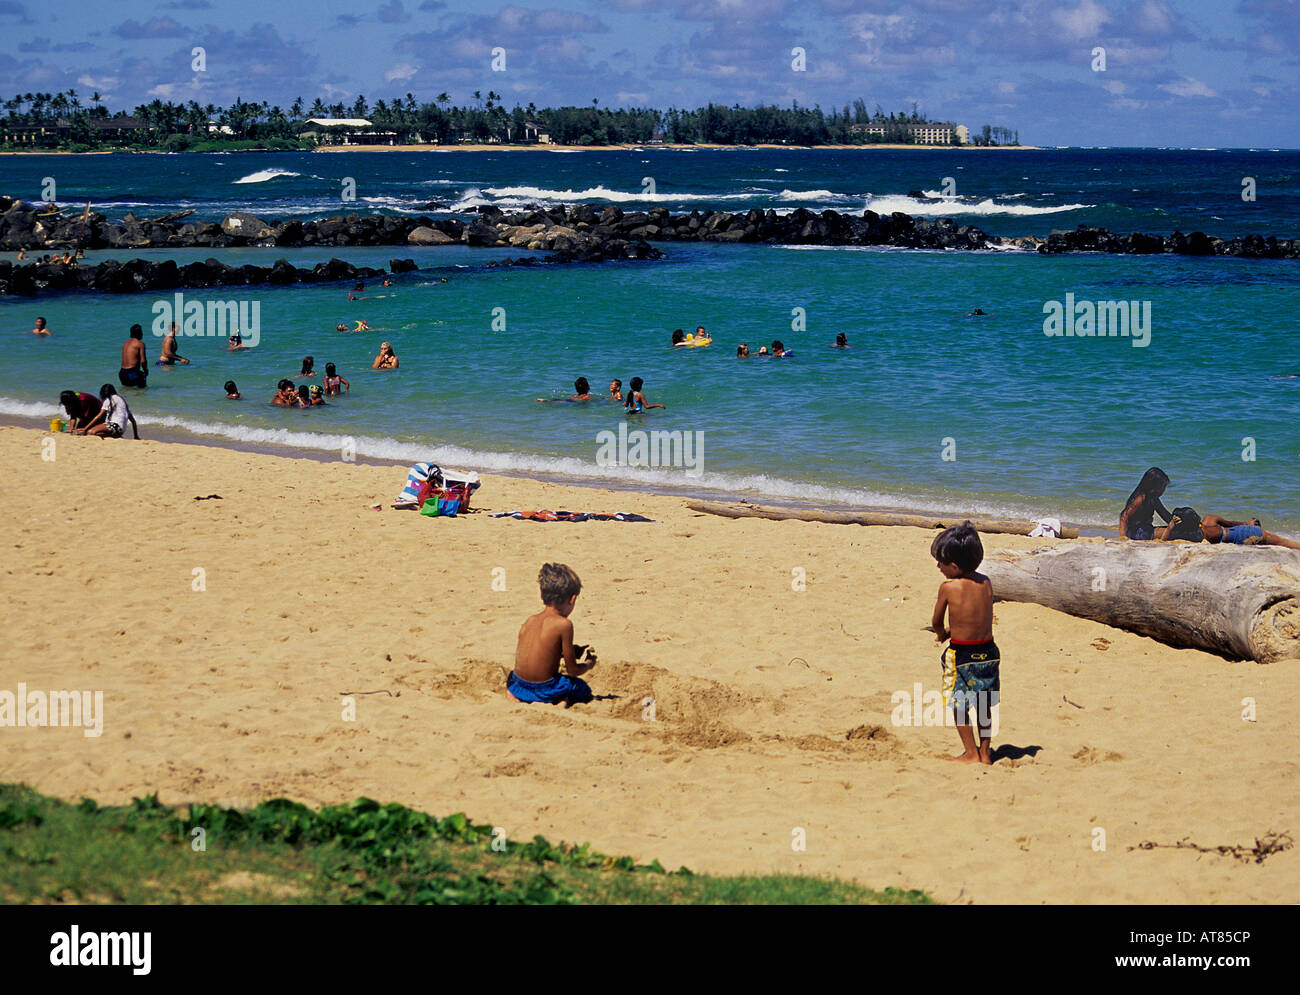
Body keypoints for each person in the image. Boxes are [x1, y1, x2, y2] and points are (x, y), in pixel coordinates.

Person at [930, 522, 1000, 764]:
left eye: (941, 562)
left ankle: (970, 753)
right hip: (989, 652)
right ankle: (986, 752)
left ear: (955, 566)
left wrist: (941, 633)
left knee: (958, 703)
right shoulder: (987, 582)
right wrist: (954, 629)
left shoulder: (948, 587)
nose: (938, 566)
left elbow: (936, 620)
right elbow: (976, 617)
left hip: (962, 655)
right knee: (984, 704)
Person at [508, 563, 596, 707]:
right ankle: (562, 701)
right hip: (545, 689)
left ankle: (514, 696)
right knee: (580, 688)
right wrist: (588, 665)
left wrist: (570, 651)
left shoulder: (530, 620)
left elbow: (539, 652)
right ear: (572, 599)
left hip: (517, 685)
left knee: (523, 682)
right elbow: (573, 670)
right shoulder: (564, 624)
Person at [1119, 467, 1172, 540]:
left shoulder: (1153, 498)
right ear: (1154, 486)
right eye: (1163, 486)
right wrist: (1123, 537)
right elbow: (1124, 516)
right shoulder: (1141, 499)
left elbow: (1165, 515)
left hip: (1145, 530)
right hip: (1136, 532)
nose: (1163, 490)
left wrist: (1177, 522)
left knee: (1173, 531)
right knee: (1172, 533)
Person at [1195, 514, 1300, 550]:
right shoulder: (1209, 519)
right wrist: (1248, 523)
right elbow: (1231, 524)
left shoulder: (1199, 537)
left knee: (1282, 544)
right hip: (1246, 532)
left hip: (1243, 540)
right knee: (1284, 543)